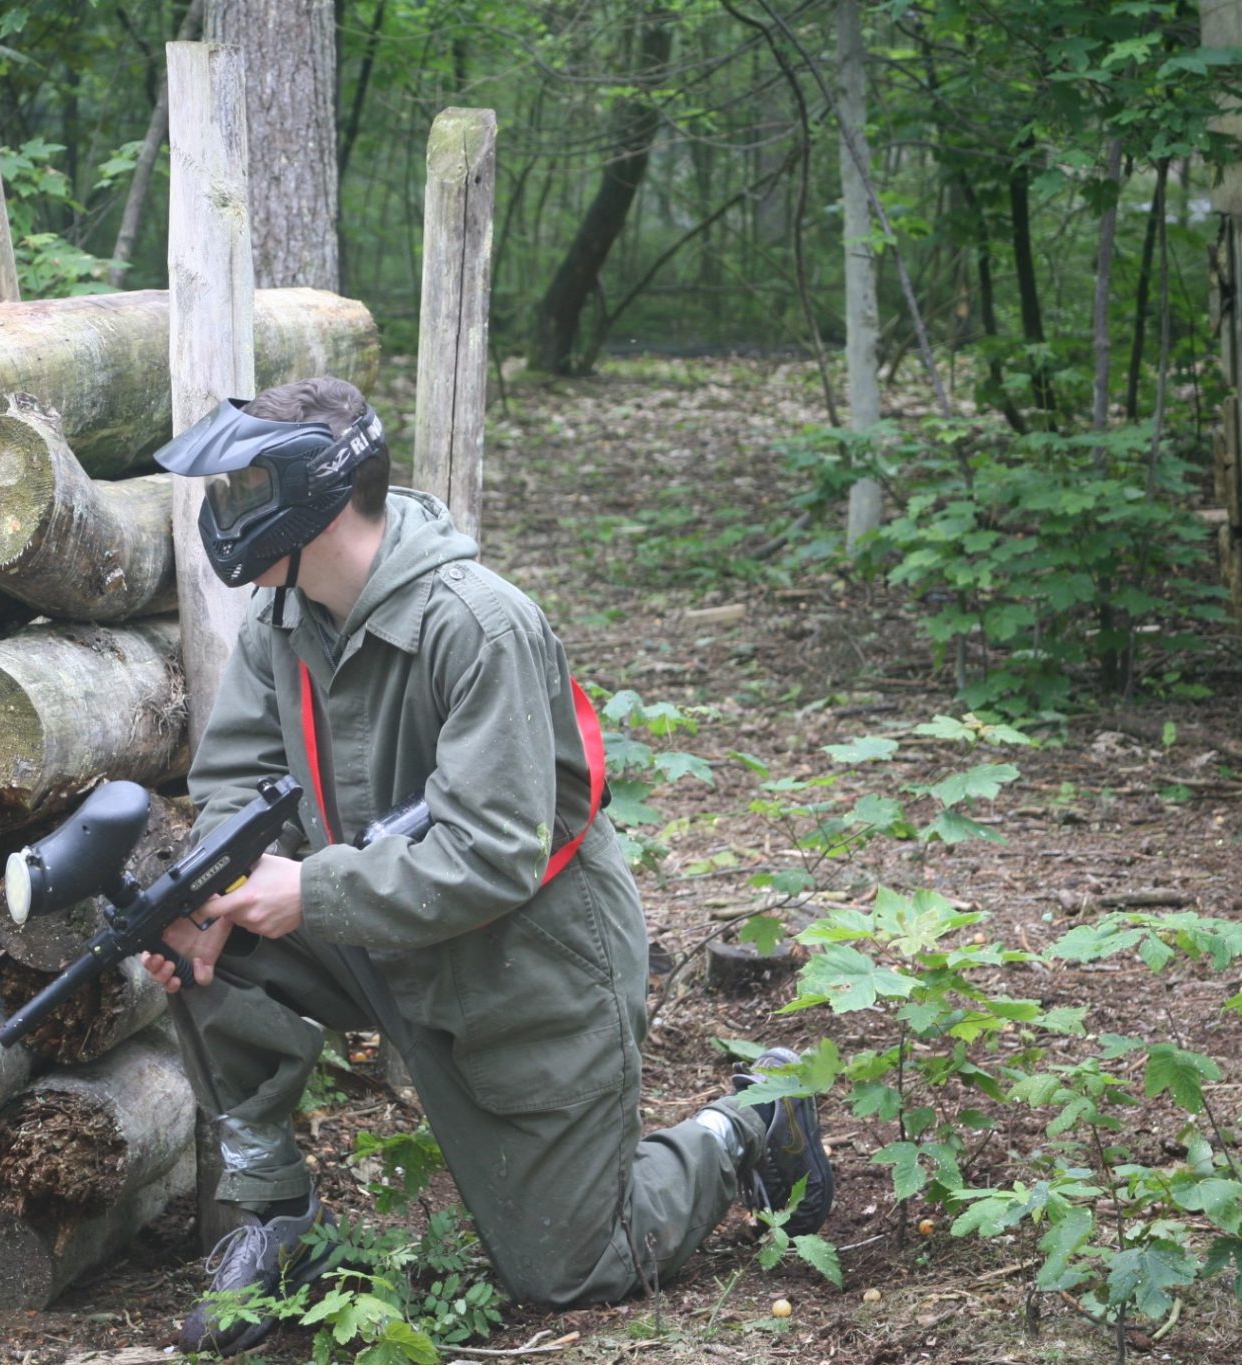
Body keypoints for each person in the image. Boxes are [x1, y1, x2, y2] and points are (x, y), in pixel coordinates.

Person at [142, 376, 833, 1356]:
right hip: (378, 938)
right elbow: (236, 782)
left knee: (571, 1269)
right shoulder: (282, 620)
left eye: (243, 494)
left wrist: (309, 890)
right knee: (195, 935)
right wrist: (213, 894)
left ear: (317, 497)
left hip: (524, 967)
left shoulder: (477, 625)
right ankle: (278, 1221)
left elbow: (491, 856)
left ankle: (751, 1123)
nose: (226, 518)